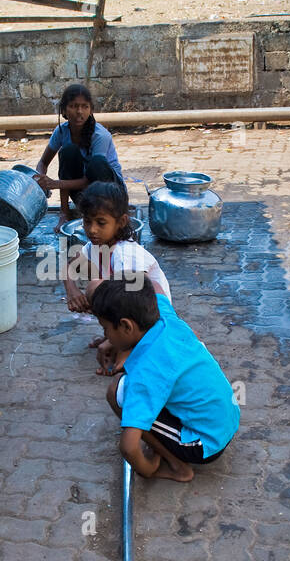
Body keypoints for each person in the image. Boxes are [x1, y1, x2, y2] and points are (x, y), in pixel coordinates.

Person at [93, 278, 239, 482]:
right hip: (226, 420)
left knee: (117, 392)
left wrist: (145, 469)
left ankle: (178, 468)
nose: (105, 336)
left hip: (204, 443)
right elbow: (156, 286)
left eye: (105, 329)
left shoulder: (146, 373)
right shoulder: (163, 316)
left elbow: (128, 446)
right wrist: (113, 341)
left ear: (126, 326)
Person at [63, 181, 171, 370]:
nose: (92, 229)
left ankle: (126, 347)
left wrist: (116, 346)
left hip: (154, 320)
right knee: (98, 290)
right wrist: (72, 291)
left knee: (98, 288)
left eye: (101, 223)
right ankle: (114, 335)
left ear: (121, 222)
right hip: (132, 314)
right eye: (87, 221)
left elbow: (135, 302)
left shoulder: (127, 253)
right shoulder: (93, 246)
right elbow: (69, 267)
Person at [34, 83, 125, 224]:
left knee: (97, 163)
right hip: (85, 195)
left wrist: (55, 183)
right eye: (74, 106)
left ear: (91, 110)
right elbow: (43, 163)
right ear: (64, 110)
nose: (79, 112)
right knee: (68, 151)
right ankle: (65, 213)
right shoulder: (61, 131)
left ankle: (106, 214)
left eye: (84, 107)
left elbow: (91, 178)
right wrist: (41, 178)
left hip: (112, 193)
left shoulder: (100, 135)